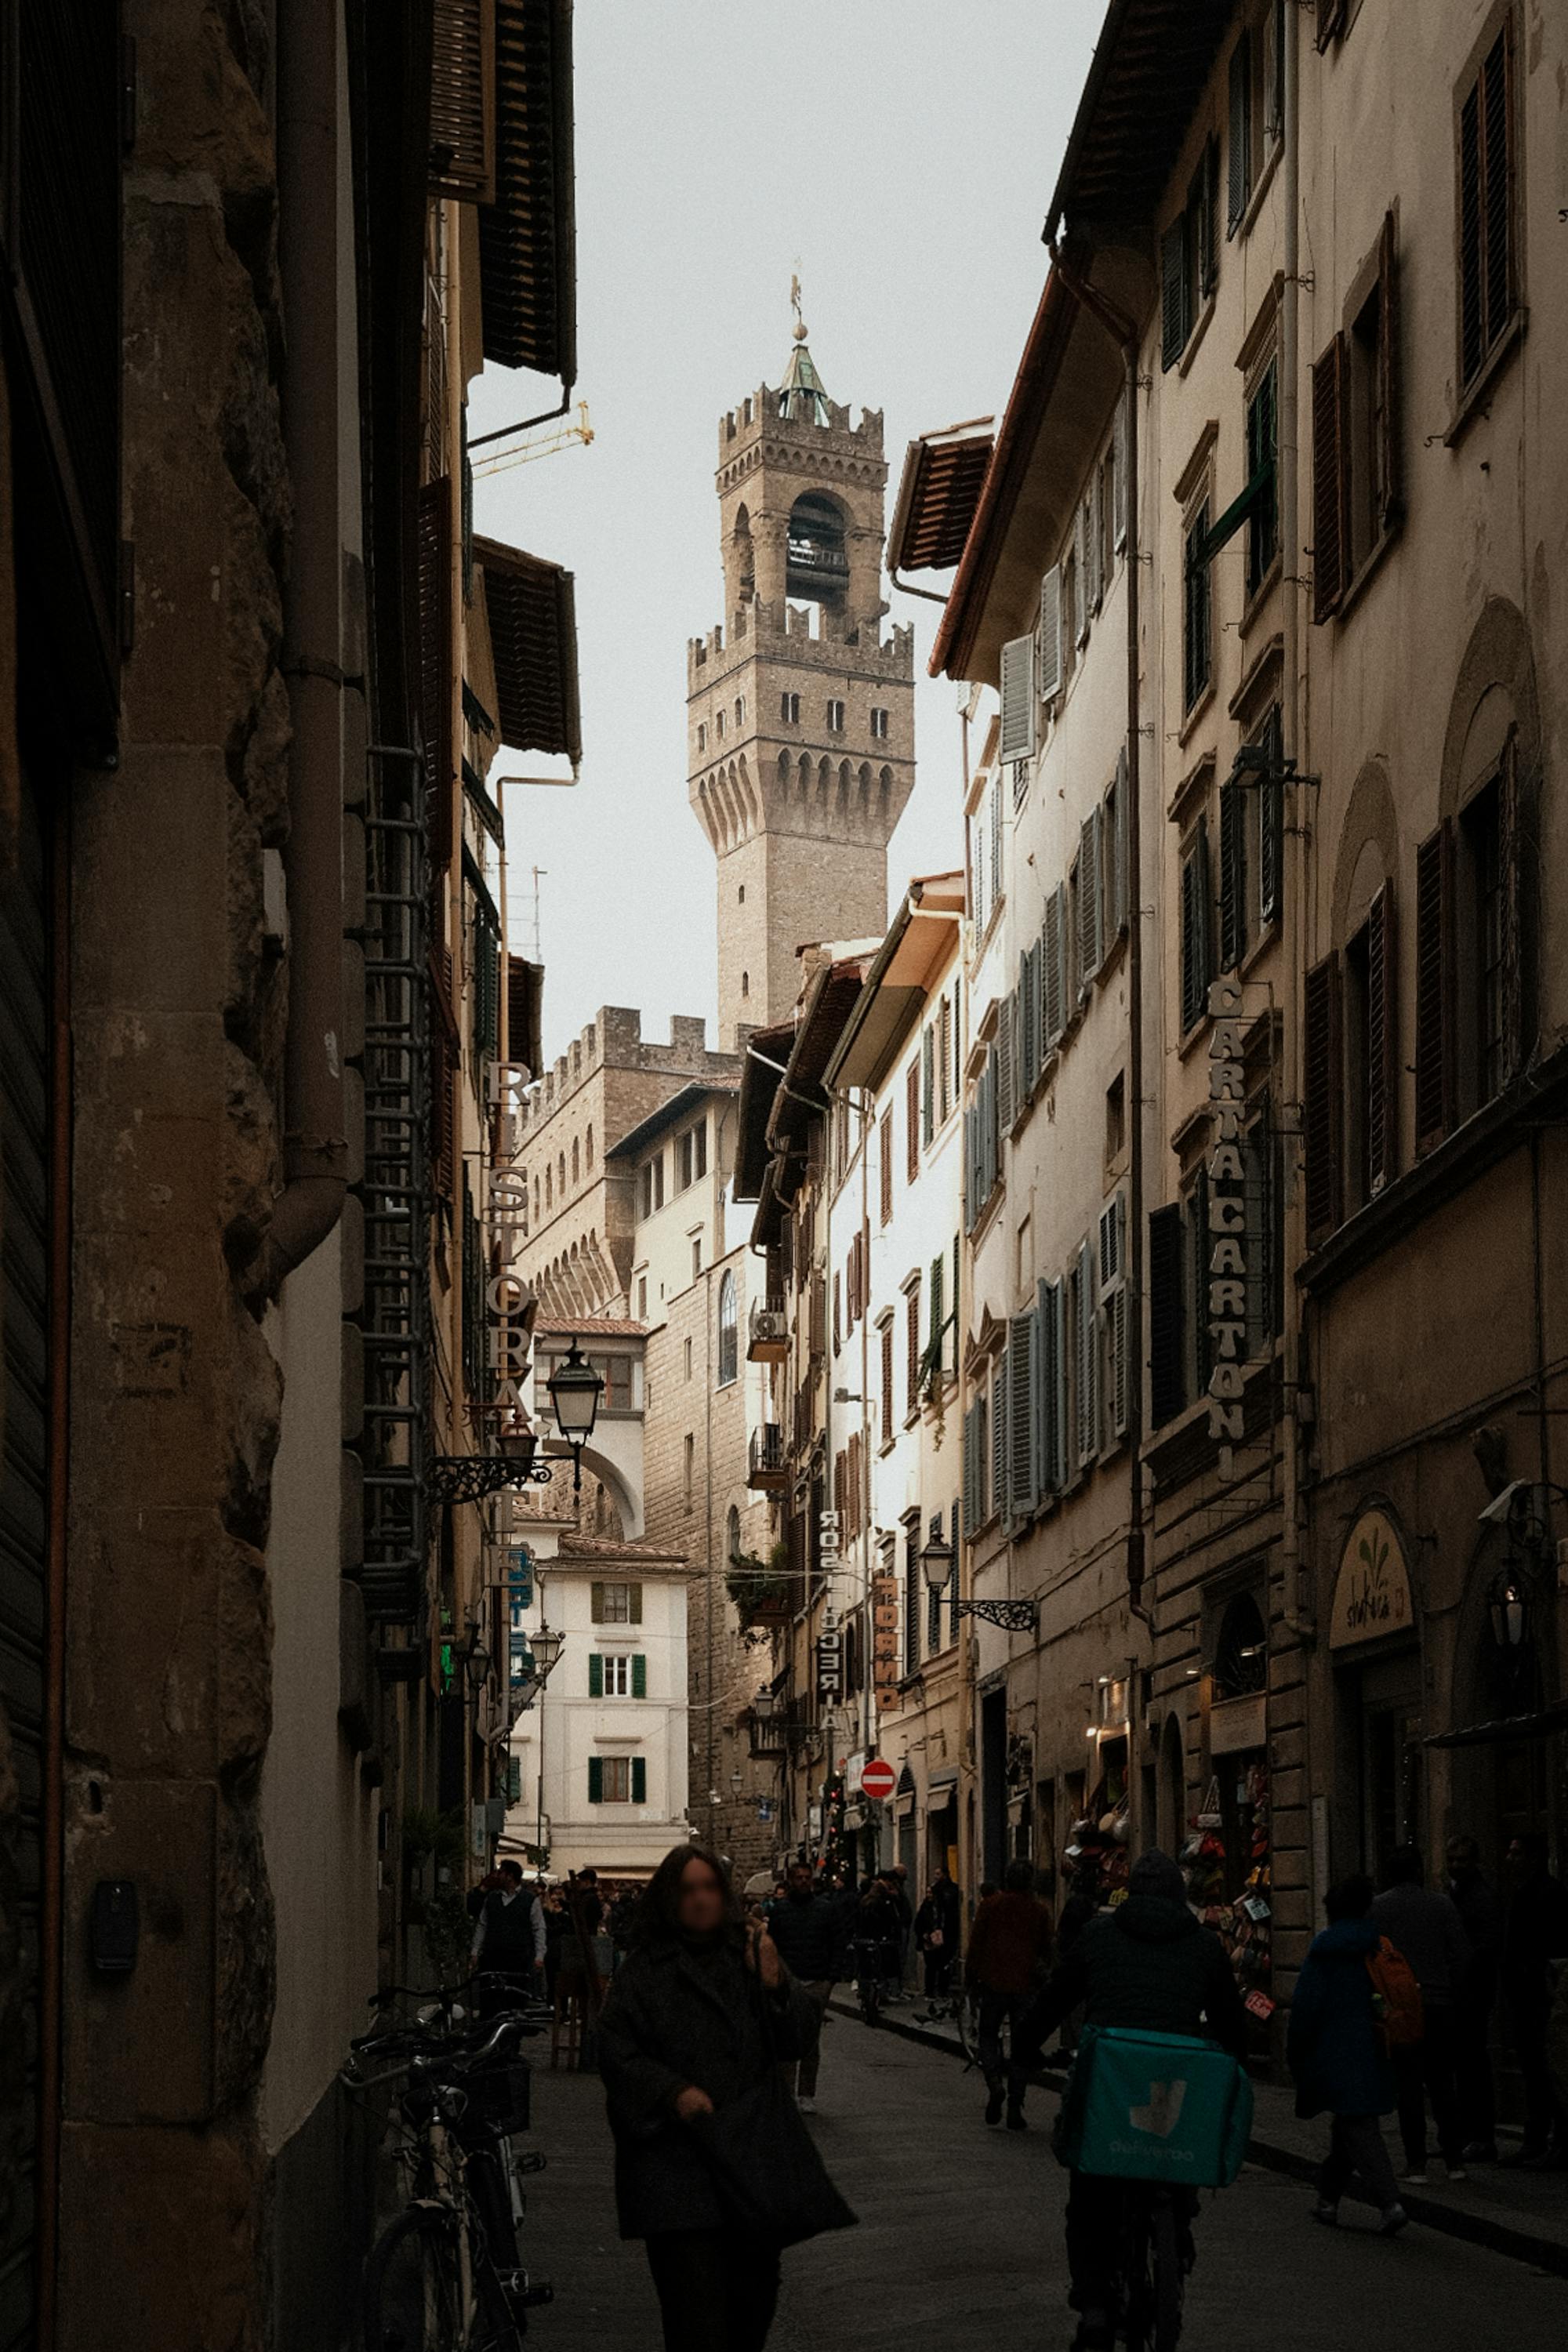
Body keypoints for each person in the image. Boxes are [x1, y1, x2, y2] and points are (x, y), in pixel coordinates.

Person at [597, 1842, 851, 2351]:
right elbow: (615, 2053)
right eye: (688, 1889)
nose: (700, 1900)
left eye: (709, 1888)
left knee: (751, 2312)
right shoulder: (644, 1972)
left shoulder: (751, 1954)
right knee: (696, 2324)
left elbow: (800, 2038)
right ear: (671, 1898)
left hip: (750, 2163)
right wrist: (672, 2092)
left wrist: (778, 1983)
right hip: (677, 2172)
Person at [1018, 1849, 1246, 2350]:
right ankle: (1176, 2234)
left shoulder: (1099, 1936)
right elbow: (1231, 2024)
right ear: (1179, 1898)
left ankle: (1095, 2305)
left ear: (1129, 1895)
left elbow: (1056, 1997)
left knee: (1090, 2198)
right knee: (1174, 2166)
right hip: (1175, 2093)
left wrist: (1025, 2046)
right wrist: (1232, 2057)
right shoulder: (1205, 1947)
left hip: (1111, 2089)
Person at [1288, 1875, 1408, 2238]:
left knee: (1357, 2126)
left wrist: (1297, 2052)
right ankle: (1328, 2201)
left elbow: (1306, 2007)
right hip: (1376, 2046)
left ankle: (1390, 2203)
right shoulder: (1377, 1946)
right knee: (1348, 2125)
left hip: (1335, 2051)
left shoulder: (1325, 1950)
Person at [1370, 1844, 1470, 2183]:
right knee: (1443, 2083)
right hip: (1439, 2003)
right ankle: (1455, 2160)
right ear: (1418, 1871)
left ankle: (1416, 2164)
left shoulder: (1377, 1909)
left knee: (1409, 2086)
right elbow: (1460, 1954)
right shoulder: (1442, 1905)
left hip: (1400, 2009)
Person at [966, 1857, 1054, 2130]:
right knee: (1022, 2046)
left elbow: (976, 1944)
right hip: (1025, 1986)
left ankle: (994, 2082)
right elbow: (1046, 1949)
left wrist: (970, 1980)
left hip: (993, 1983)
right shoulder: (1039, 1911)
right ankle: (1016, 2106)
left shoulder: (990, 1906)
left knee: (988, 2036)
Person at [1500, 1830, 1568, 2168]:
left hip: (1542, 1995)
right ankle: (1538, 2139)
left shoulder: (1548, 1894)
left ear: (1534, 1858)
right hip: (1526, 1994)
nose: (1510, 1860)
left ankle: (1555, 2141)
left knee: (1547, 2070)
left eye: (1516, 1854)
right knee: (1534, 2069)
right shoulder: (1523, 1892)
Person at [764, 1862, 845, 2113]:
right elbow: (772, 1947)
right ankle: (787, 2093)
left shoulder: (826, 1909)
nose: (803, 1881)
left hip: (817, 1981)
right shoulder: (780, 1911)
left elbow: (837, 1943)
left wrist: (830, 1979)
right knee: (787, 2038)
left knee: (811, 2040)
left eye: (807, 1877)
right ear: (790, 1880)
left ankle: (807, 2094)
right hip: (789, 1982)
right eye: (798, 1877)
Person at [1446, 1834, 1503, 2161]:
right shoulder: (1457, 1893)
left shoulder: (1480, 1897)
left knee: (1472, 2064)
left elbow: (1486, 1946)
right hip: (1461, 1992)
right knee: (1464, 2065)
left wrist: (1463, 1972)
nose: (1455, 1866)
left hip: (1472, 1992)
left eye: (1462, 1860)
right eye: (1452, 1860)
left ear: (1475, 1862)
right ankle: (1470, 2133)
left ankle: (1481, 2136)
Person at [470, 1857, 546, 2015]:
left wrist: (539, 1955)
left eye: (501, 1872)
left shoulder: (530, 1900)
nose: (497, 1875)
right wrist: (476, 1950)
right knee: (490, 1997)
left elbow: (538, 1928)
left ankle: (512, 2034)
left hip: (518, 1957)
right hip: (492, 1956)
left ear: (510, 1876)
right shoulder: (492, 1898)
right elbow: (482, 1925)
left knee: (515, 1998)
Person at [914, 1870, 961, 1998]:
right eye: (927, 1893)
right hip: (929, 1940)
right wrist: (923, 1933)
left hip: (943, 1939)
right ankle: (930, 1991)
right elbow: (918, 1922)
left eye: (931, 1893)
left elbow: (950, 1922)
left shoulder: (944, 1908)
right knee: (931, 1966)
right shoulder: (925, 1907)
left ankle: (942, 1991)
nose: (929, 1895)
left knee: (942, 1965)